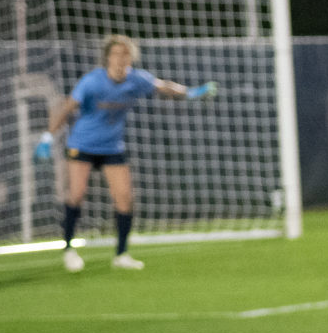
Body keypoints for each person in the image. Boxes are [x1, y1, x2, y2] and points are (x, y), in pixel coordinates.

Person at [39, 34, 214, 272]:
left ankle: (121, 254)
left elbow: (164, 87)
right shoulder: (92, 82)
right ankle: (69, 249)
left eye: (125, 54)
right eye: (116, 54)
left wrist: (191, 93)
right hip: (82, 144)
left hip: (112, 147)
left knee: (125, 199)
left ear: (131, 57)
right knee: (76, 195)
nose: (121, 58)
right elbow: (65, 108)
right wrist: (48, 138)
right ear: (107, 57)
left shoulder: (136, 80)